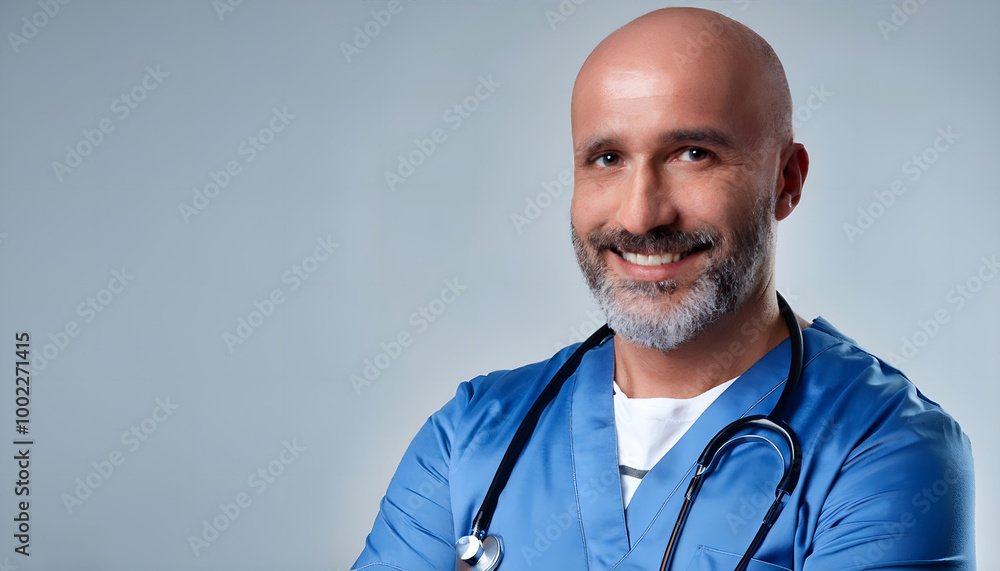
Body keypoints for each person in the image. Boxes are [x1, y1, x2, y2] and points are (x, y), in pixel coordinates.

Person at [352, 7, 975, 570]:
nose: (640, 216)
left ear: (786, 179)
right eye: (607, 159)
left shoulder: (887, 451)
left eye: (693, 153)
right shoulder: (472, 435)